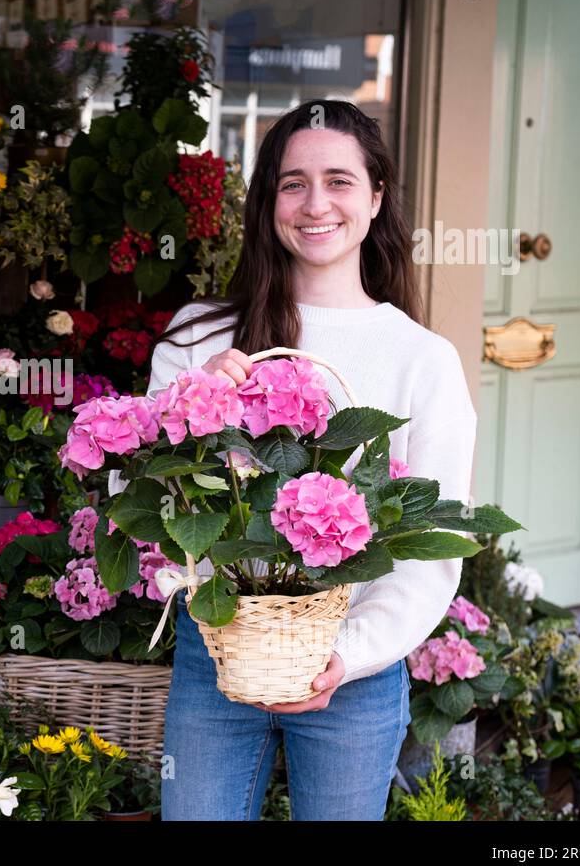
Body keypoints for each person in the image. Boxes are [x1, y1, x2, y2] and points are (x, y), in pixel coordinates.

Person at [151, 100, 477, 820]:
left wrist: (347, 654)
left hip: (354, 675)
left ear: (377, 196)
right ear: (268, 202)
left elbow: (432, 556)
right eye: (292, 183)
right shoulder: (196, 337)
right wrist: (190, 416)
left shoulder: (423, 361)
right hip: (219, 659)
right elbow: (146, 510)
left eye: (339, 180)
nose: (315, 203)